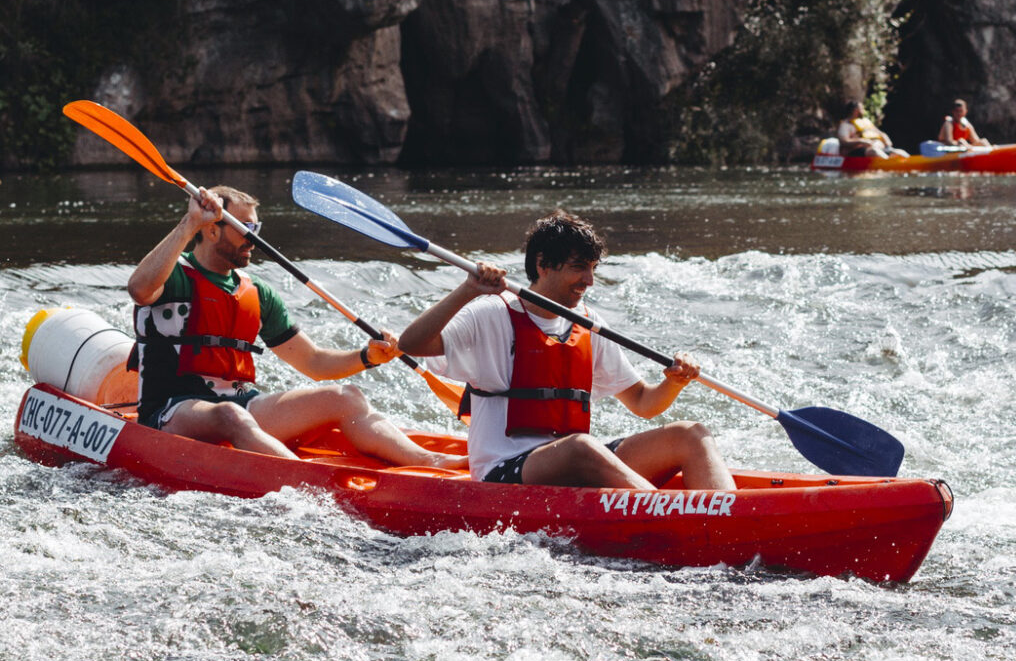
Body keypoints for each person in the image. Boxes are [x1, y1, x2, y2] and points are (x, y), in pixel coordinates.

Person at [399, 211, 736, 491]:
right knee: (581, 447)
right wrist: (467, 290)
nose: (589, 280)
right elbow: (410, 344)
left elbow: (644, 404)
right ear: (543, 264)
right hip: (502, 473)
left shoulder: (587, 323)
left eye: (592, 268)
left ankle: (731, 520)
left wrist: (675, 381)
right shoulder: (491, 314)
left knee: (690, 434)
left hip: (574, 465)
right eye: (579, 267)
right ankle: (676, 519)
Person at [127, 185, 455, 466]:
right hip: (170, 412)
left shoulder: (257, 293)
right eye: (245, 230)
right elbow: (139, 289)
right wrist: (189, 222)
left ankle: (428, 460)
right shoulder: (174, 276)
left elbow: (313, 363)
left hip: (241, 404)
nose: (254, 241)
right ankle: (305, 483)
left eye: (258, 229)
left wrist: (367, 357)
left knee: (346, 397)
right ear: (212, 230)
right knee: (230, 415)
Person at [838, 100, 908, 157]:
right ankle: (888, 164)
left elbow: (878, 132)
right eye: (861, 108)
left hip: (879, 147)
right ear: (855, 110)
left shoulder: (865, 121)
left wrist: (885, 137)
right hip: (857, 151)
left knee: (900, 152)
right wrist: (861, 141)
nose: (863, 110)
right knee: (875, 151)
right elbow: (844, 142)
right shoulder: (845, 125)